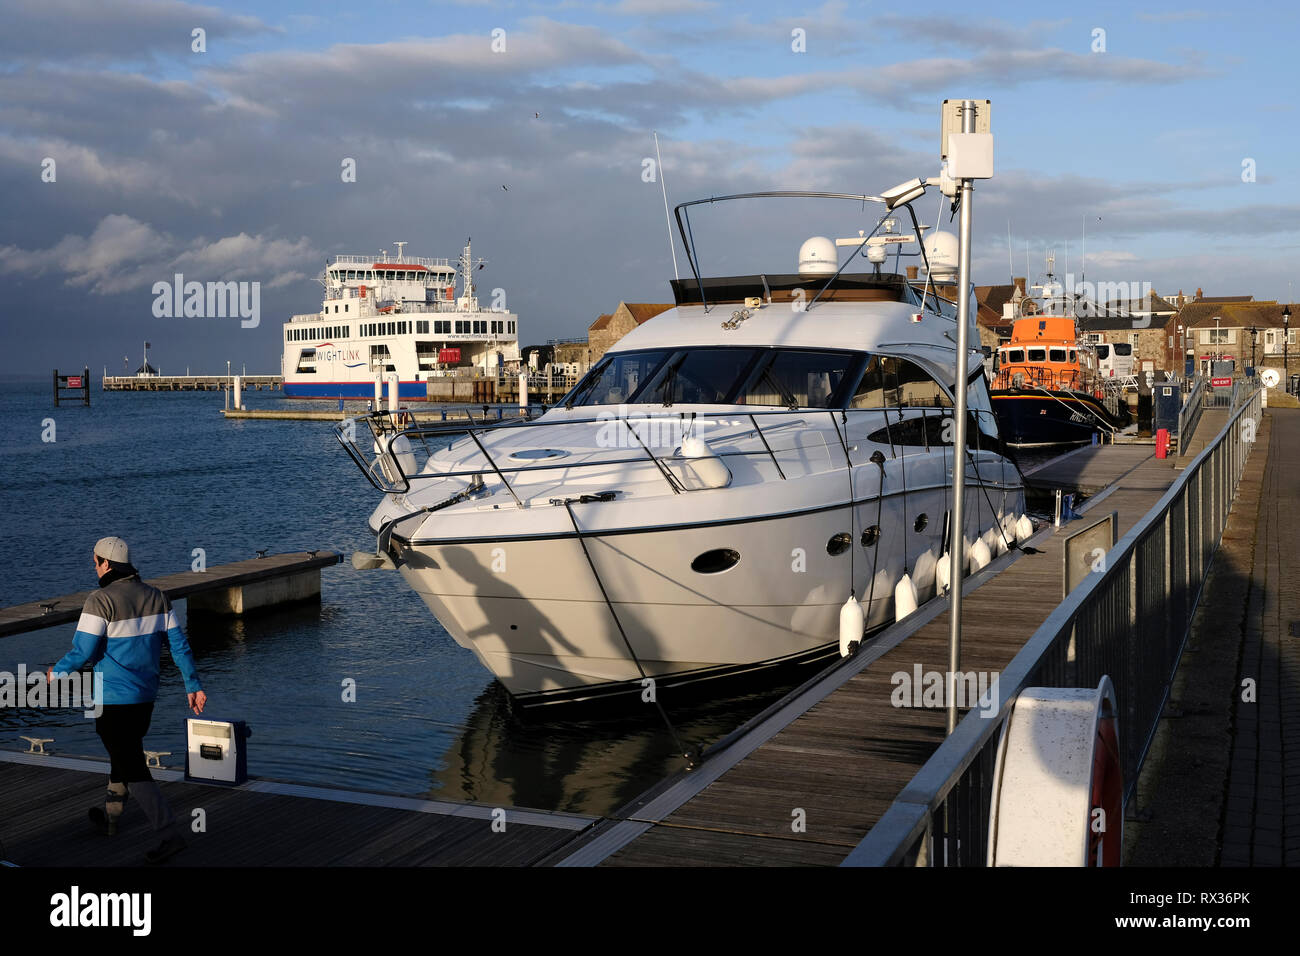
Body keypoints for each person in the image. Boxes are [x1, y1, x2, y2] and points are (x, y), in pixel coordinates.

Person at [48, 537, 207, 864]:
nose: (94, 567)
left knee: (132, 765)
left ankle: (168, 834)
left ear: (106, 564)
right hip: (145, 698)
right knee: (123, 753)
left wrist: (56, 674)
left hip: (111, 699)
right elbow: (179, 646)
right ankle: (111, 816)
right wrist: (192, 684)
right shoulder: (159, 597)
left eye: (95, 561)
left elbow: (82, 652)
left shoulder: (100, 601)